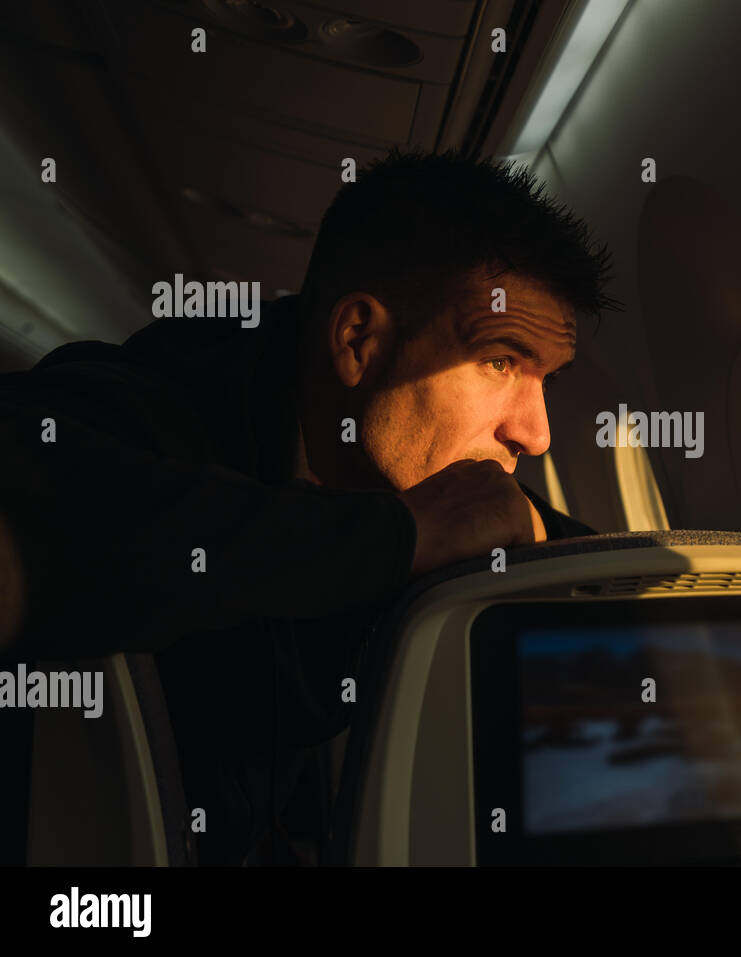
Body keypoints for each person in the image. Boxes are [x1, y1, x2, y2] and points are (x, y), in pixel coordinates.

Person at [0, 147, 618, 864]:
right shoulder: (160, 408)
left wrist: (538, 540)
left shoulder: (410, 469)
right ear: (359, 341)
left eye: (547, 379)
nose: (535, 432)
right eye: (501, 362)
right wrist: (398, 537)